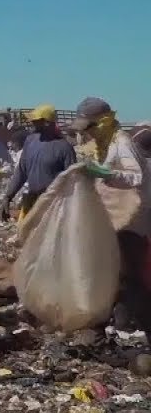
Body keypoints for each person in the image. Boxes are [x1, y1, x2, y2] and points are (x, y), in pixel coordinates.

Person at [70, 98, 151, 333]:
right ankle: (121, 321)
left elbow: (136, 177)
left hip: (133, 220)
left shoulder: (122, 142)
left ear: (102, 122)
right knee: (115, 271)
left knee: (131, 274)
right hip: (116, 218)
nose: (88, 134)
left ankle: (143, 325)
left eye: (90, 128)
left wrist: (105, 172)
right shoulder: (105, 143)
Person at [2, 105, 76, 219]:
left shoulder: (64, 148)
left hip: (53, 205)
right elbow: (21, 171)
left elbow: (72, 182)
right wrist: (8, 196)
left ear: (47, 123)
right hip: (32, 200)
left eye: (36, 121)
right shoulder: (30, 141)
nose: (32, 123)